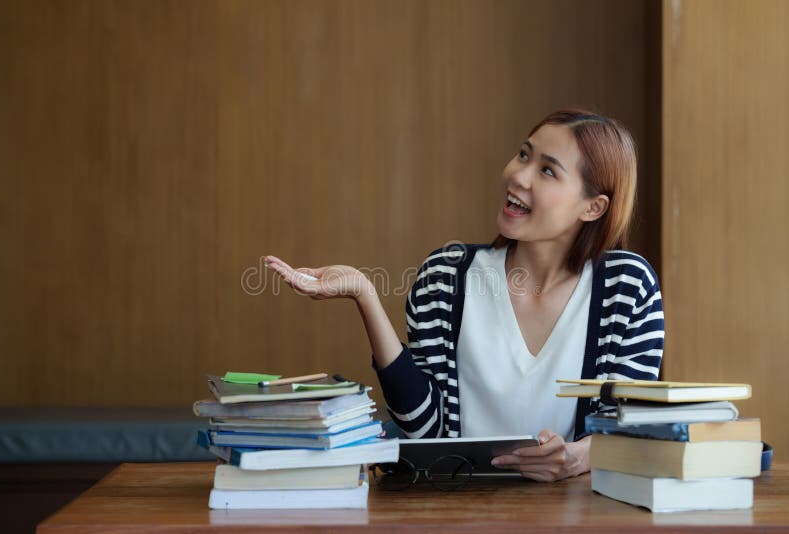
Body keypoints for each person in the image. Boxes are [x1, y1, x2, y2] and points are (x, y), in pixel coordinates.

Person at [264, 108, 664, 482]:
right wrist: (365, 295)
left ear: (593, 207)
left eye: (547, 171)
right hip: (457, 505)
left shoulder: (626, 288)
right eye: (523, 155)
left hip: (579, 515)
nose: (519, 177)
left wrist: (576, 458)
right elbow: (426, 432)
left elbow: (630, 427)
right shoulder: (445, 277)